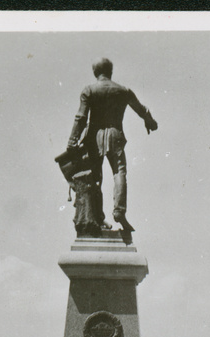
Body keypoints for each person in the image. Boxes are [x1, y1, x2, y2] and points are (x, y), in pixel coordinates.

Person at [68, 57, 158, 236]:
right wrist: (150, 121)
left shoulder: (89, 90)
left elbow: (81, 118)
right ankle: (119, 211)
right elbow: (141, 109)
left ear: (95, 73)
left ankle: (98, 217)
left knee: (94, 177)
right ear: (111, 72)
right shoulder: (123, 90)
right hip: (116, 134)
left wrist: (72, 141)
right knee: (119, 172)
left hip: (94, 137)